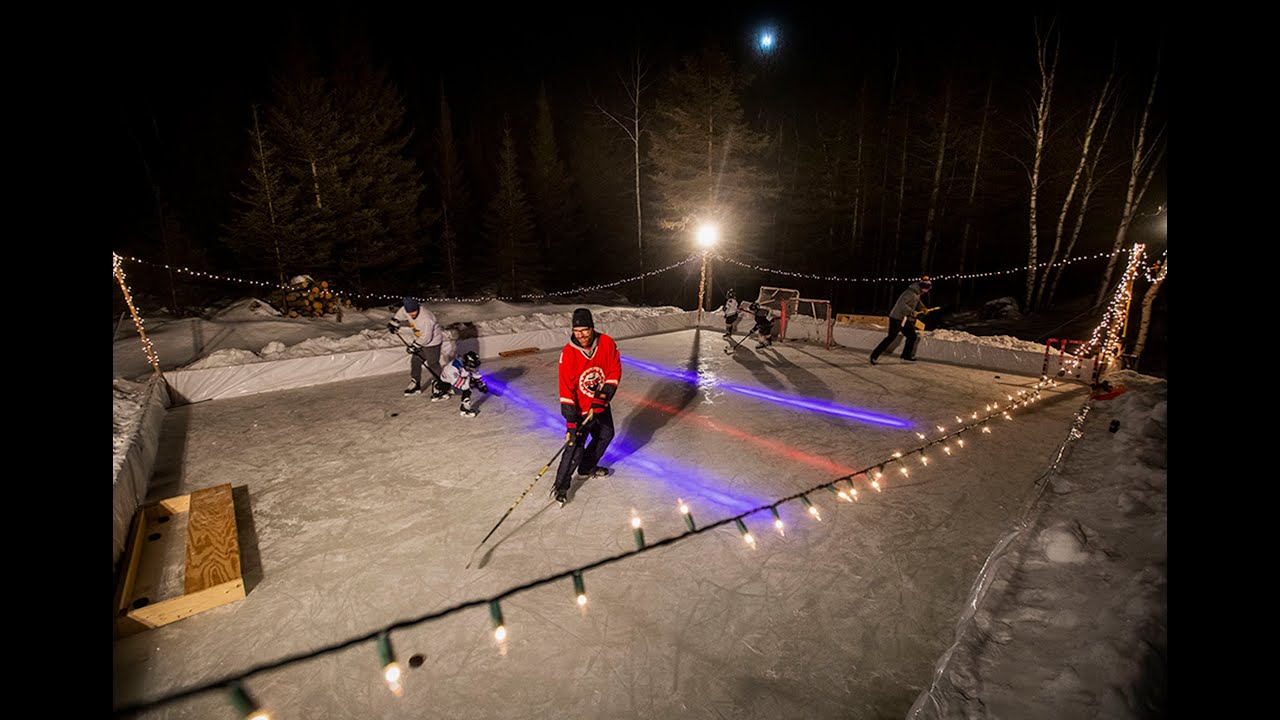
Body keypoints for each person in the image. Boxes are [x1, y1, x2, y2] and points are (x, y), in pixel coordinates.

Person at [552, 308, 621, 506]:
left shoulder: (606, 343)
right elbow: (566, 390)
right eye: (577, 331)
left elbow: (614, 369)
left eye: (585, 330)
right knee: (574, 447)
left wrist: (602, 396)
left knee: (606, 434)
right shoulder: (568, 355)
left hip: (599, 405)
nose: (581, 335)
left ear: (592, 328)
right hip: (580, 410)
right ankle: (561, 486)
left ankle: (586, 468)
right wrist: (571, 422)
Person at [387, 296, 444, 395]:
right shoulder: (407, 310)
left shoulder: (426, 318)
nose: (411, 315)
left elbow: (427, 337)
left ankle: (439, 384)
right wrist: (394, 323)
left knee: (432, 363)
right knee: (415, 360)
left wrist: (415, 345)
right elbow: (400, 314)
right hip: (420, 340)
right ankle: (415, 382)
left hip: (432, 342)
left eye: (413, 312)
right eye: (409, 313)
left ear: (417, 307)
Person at [869, 277, 933, 364]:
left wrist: (923, 308)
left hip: (905, 318)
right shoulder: (910, 293)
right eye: (927, 288)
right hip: (896, 318)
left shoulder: (917, 293)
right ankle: (874, 356)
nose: (928, 291)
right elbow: (902, 305)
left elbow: (917, 302)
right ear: (922, 287)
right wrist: (912, 311)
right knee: (891, 337)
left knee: (912, 336)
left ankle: (906, 355)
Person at [431, 350, 489, 417]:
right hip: (449, 381)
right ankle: (437, 386)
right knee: (465, 387)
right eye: (471, 367)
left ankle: (464, 407)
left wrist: (481, 384)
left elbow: (476, 375)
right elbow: (462, 385)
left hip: (460, 377)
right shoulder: (452, 369)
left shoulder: (467, 365)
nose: (473, 369)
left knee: (469, 385)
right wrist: (473, 383)